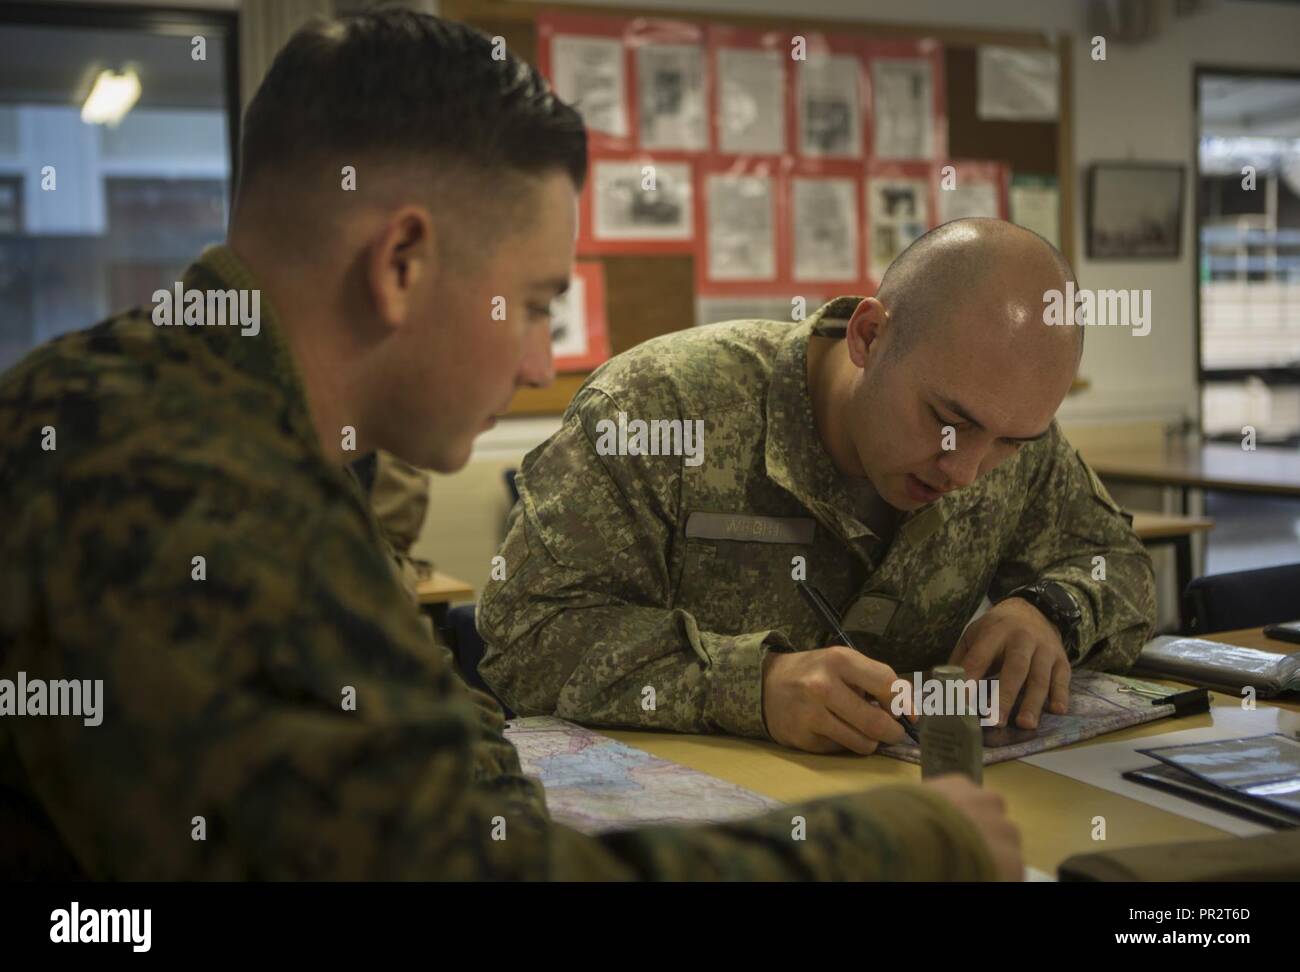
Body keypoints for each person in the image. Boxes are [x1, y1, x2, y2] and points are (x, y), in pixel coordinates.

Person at [0, 9, 1019, 880]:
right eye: (535, 304)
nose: (540, 364)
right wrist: (902, 845)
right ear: (401, 261)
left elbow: (414, 737)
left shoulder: (183, 402)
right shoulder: (190, 482)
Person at [478, 219, 1157, 756]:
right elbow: (529, 638)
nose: (965, 470)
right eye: (948, 422)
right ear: (869, 335)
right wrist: (754, 686)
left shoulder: (1005, 428)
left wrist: (1050, 610)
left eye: (1011, 442)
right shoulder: (658, 407)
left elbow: (1122, 567)